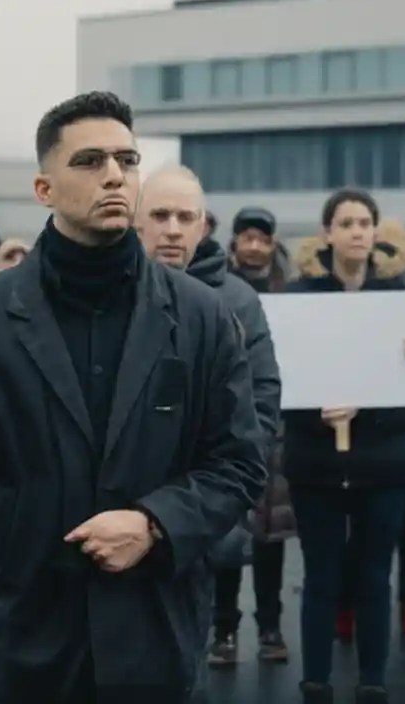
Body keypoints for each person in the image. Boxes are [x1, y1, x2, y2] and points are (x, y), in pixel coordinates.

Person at [0, 91, 265, 704]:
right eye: (90, 161)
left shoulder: (202, 315)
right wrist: (58, 539)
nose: (114, 175)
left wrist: (154, 525)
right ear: (44, 190)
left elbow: (237, 464)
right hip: (33, 634)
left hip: (158, 631)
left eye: (127, 161)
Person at [283, 189, 405, 704]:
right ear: (327, 232)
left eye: (364, 222)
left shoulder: (404, 298)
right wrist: (314, 410)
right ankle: (316, 680)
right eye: (346, 222)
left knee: (377, 575)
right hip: (316, 460)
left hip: (387, 462)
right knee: (321, 575)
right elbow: (276, 377)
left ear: (376, 232)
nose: (356, 230)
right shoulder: (299, 297)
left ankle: (373, 679)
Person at [133, 166, 290, 666]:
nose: (173, 229)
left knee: (184, 665)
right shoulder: (111, 293)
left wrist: (221, 491)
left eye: (186, 217)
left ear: (204, 226)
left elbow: (261, 402)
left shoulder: (237, 301)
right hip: (114, 507)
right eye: (160, 215)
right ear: (137, 222)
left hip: (196, 514)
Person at [228, 206, 290, 293]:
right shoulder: (218, 277)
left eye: (263, 240)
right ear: (235, 242)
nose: (254, 248)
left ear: (273, 245)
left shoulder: (288, 279)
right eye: (248, 239)